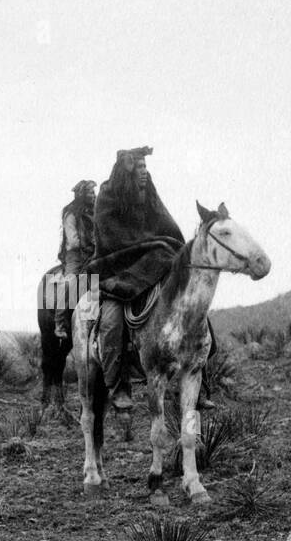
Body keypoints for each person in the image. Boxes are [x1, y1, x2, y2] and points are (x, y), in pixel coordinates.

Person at [88, 148, 215, 410]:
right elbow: (109, 237)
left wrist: (177, 250)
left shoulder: (149, 192)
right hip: (117, 267)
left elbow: (165, 224)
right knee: (111, 322)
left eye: (146, 167)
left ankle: (200, 382)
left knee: (189, 307)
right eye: (139, 167)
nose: (145, 172)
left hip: (153, 262)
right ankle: (118, 384)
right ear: (126, 171)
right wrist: (145, 247)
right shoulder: (107, 197)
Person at [55, 179, 97, 339]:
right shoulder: (71, 214)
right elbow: (72, 241)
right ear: (81, 195)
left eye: (93, 192)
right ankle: (59, 322)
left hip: (95, 254)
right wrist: (90, 245)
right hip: (76, 256)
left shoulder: (96, 212)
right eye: (90, 192)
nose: (93, 195)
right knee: (69, 283)